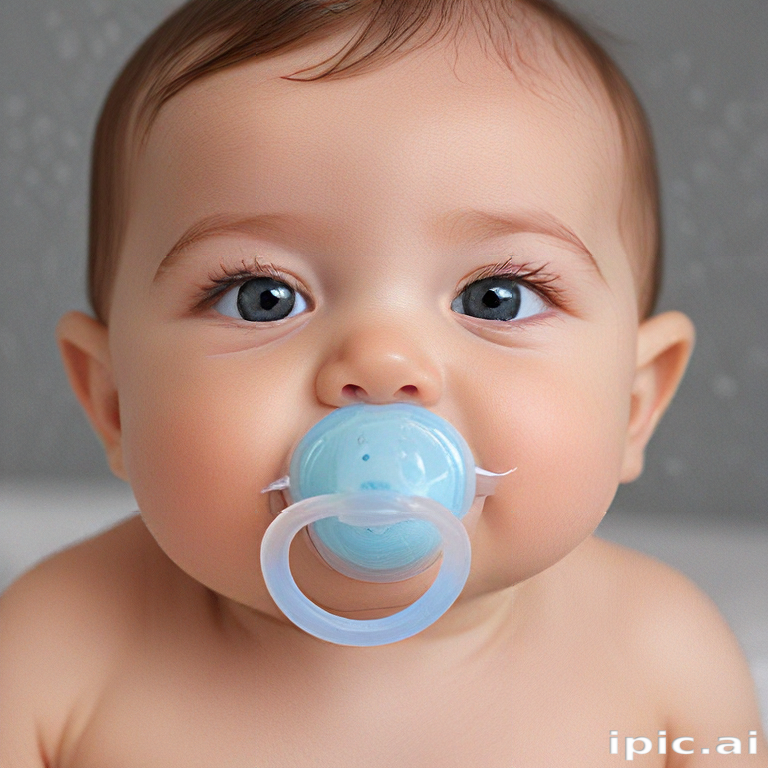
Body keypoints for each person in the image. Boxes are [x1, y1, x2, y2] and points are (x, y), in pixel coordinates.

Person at [1, 1, 764, 765]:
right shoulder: (50, 656)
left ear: (635, 405)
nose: (382, 363)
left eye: (495, 296)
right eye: (262, 297)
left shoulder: (665, 661)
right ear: (114, 406)